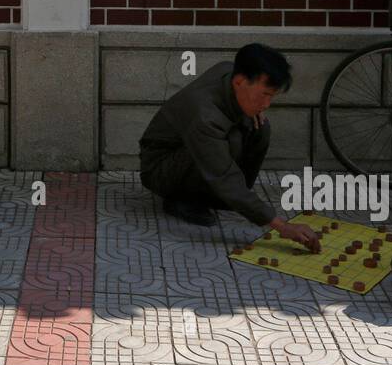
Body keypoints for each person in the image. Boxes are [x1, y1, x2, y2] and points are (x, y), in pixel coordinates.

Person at [137, 43, 322, 250]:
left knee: (260, 127)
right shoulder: (204, 115)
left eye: (272, 96)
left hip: (197, 147)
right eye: (264, 95)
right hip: (160, 169)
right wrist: (282, 226)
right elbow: (223, 173)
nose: (267, 104)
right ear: (239, 81)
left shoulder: (229, 70)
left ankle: (227, 197)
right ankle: (183, 200)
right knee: (231, 141)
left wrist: (253, 107)